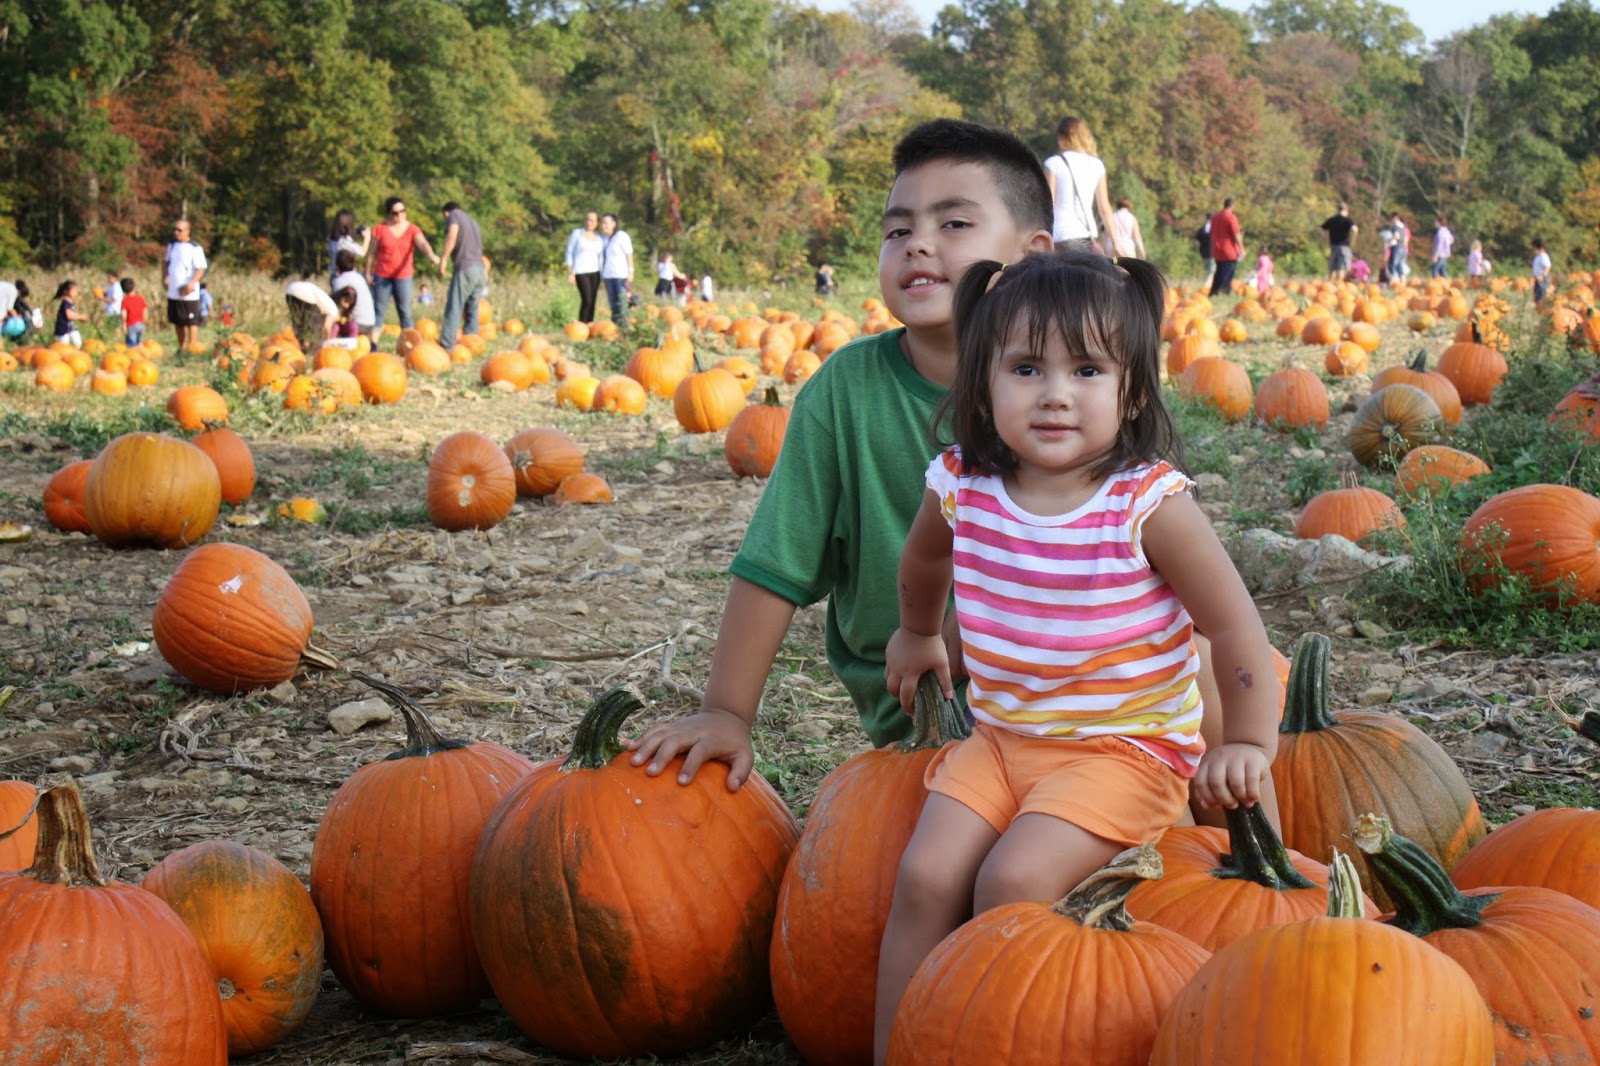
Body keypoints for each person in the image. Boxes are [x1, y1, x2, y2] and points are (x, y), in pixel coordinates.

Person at [873, 250, 1280, 1063]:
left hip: (1125, 752)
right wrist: (919, 633)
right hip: (1001, 742)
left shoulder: (1147, 504)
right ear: (982, 383)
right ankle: (897, 1049)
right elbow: (923, 565)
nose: (1055, 392)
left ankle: (994, 1039)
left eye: (1087, 369)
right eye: (1026, 367)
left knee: (1012, 882)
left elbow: (1235, 629)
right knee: (922, 879)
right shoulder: (962, 485)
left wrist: (1248, 743)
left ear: (1130, 389)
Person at [624, 118, 1059, 788]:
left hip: (1080, 685)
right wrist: (726, 713)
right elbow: (775, 566)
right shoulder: (846, 391)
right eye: (897, 230)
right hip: (931, 719)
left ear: (1030, 256)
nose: (917, 244)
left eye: (953, 225)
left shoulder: (1070, 394)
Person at [367, 197, 439, 334]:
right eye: (395, 213)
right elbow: (371, 253)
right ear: (389, 213)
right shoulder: (380, 229)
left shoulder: (412, 229)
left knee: (405, 311)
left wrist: (431, 255)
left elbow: (423, 244)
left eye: (402, 211)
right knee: (379, 311)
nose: (399, 215)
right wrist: (367, 273)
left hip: (403, 276)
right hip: (382, 275)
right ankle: (373, 346)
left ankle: (408, 344)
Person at [1043, 117, 1114, 253]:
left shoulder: (1054, 163)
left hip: (1060, 235)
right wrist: (1115, 242)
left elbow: (1048, 205)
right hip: (1086, 236)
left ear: (1062, 137)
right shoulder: (1096, 165)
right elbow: (1104, 207)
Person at [438, 201, 487, 349]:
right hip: (479, 268)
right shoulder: (473, 221)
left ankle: (446, 344)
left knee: (455, 305)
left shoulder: (453, 217)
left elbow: (452, 234)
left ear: (446, 213)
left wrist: (444, 258)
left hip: (465, 267)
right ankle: (471, 343)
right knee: (472, 308)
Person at [163, 217, 207, 350]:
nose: (176, 232)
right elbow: (166, 263)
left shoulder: (194, 247)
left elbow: (201, 268)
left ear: (187, 231)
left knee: (191, 321)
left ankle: (192, 346)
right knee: (178, 321)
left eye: (180, 230)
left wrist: (192, 283)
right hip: (174, 290)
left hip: (189, 291)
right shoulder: (172, 245)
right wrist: (164, 278)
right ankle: (181, 347)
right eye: (175, 229)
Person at [564, 211, 604, 324]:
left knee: (593, 300)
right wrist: (570, 273)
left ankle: (590, 324)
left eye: (592, 220)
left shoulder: (600, 238)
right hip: (581, 272)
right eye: (587, 219)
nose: (589, 222)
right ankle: (582, 324)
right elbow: (569, 253)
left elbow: (602, 256)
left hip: (595, 272)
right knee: (587, 299)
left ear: (597, 223)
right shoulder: (577, 234)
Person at [331, 249, 377, 342]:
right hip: (370, 323)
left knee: (332, 323)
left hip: (357, 324)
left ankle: (331, 342)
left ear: (337, 266)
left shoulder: (340, 281)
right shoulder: (359, 277)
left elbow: (336, 305)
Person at [599, 213, 634, 331]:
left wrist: (631, 271)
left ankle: (625, 329)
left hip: (621, 275)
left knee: (622, 303)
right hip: (608, 275)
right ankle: (615, 330)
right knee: (613, 305)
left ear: (614, 224)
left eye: (606, 223)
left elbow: (629, 254)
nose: (603, 225)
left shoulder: (621, 236)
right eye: (602, 223)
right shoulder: (605, 239)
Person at [284, 280, 340, 353]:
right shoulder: (334, 311)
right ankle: (310, 353)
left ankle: (298, 349)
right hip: (306, 295)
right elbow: (327, 326)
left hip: (290, 291)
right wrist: (328, 341)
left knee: (299, 325)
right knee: (313, 333)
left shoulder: (326, 305)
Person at [327, 209, 370, 287]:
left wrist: (355, 234)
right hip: (344, 277)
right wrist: (367, 237)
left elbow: (345, 238)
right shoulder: (344, 242)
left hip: (333, 275)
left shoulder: (331, 238)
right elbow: (362, 252)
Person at [1208, 198, 1242, 297]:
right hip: (1229, 250)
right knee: (1228, 272)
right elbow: (1236, 235)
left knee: (1219, 271)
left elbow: (1211, 234)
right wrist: (1241, 249)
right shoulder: (1231, 217)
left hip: (1217, 249)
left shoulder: (1215, 217)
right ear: (1233, 206)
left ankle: (1214, 291)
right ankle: (1224, 291)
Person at [1320, 202, 1358, 282]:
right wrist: (1352, 241)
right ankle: (1339, 284)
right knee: (1342, 266)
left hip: (1333, 245)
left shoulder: (1332, 220)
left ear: (1338, 210)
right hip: (1344, 246)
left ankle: (1330, 283)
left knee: (1332, 266)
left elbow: (1321, 229)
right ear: (1346, 210)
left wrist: (1326, 238)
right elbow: (1355, 229)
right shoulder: (1347, 220)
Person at [52, 280, 90, 348]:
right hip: (64, 328)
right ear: (66, 291)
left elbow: (73, 314)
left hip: (71, 327)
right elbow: (69, 316)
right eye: (74, 290)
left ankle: (77, 354)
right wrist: (81, 317)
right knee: (63, 345)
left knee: (78, 342)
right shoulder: (65, 303)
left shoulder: (70, 303)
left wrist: (81, 318)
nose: (76, 292)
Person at [120, 278, 147, 347]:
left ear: (123, 290)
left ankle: (134, 356)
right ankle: (141, 355)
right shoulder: (140, 298)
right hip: (140, 323)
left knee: (131, 344)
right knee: (138, 341)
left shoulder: (125, 300)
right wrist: (144, 321)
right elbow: (145, 310)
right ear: (134, 287)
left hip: (131, 324)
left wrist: (124, 325)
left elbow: (124, 314)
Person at [1387, 212, 1411, 283]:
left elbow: (1397, 236)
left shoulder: (1396, 226)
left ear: (1395, 218)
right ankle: (1403, 280)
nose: (1391, 220)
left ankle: (1394, 280)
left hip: (1396, 247)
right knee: (1399, 265)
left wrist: (1389, 240)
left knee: (1392, 264)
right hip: (1403, 248)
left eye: (1391, 218)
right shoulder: (1403, 227)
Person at [1196, 214, 1215, 289]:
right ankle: (1207, 285)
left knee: (1207, 268)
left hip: (1203, 252)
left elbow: (1197, 242)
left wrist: (1199, 251)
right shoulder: (1214, 228)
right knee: (1211, 270)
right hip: (1212, 252)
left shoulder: (1201, 229)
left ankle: (1207, 284)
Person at [1531, 238, 1552, 305]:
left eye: (1534, 248)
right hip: (1538, 278)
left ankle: (1542, 309)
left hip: (1542, 278)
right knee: (1537, 295)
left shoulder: (1543, 256)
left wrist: (1542, 275)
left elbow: (1547, 266)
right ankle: (1538, 308)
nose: (1533, 250)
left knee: (1541, 295)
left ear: (1540, 248)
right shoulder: (1538, 256)